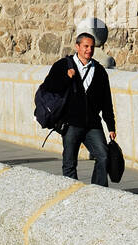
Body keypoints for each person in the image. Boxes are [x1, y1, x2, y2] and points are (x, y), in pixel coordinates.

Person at [42, 31, 117, 187]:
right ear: (77, 47)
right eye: (85, 46)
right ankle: (72, 191)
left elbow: (106, 101)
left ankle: (98, 191)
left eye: (91, 47)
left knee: (103, 156)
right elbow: (49, 88)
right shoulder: (62, 66)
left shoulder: (100, 71)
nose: (89, 50)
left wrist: (111, 126)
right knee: (69, 162)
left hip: (93, 124)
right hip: (71, 123)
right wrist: (65, 78)